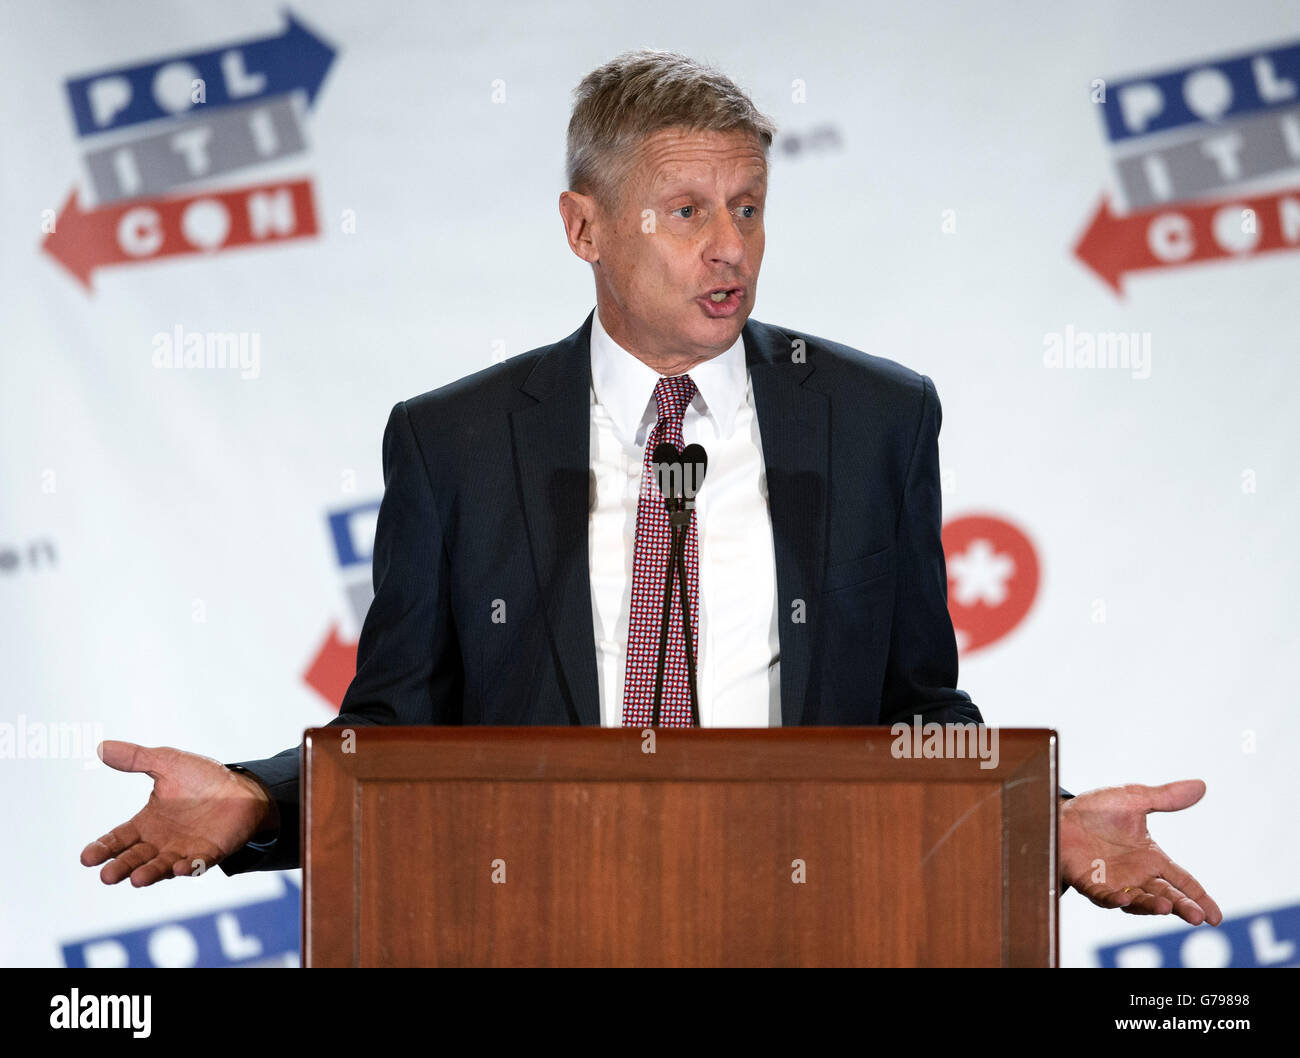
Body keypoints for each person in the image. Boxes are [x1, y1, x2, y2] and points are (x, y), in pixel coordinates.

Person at [81, 50, 1221, 928]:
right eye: (686, 212)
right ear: (584, 225)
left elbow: (916, 714)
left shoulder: (876, 417)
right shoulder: (454, 441)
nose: (729, 246)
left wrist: (1045, 824)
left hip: (811, 918)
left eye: (749, 206)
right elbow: (398, 734)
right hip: (536, 920)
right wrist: (257, 798)